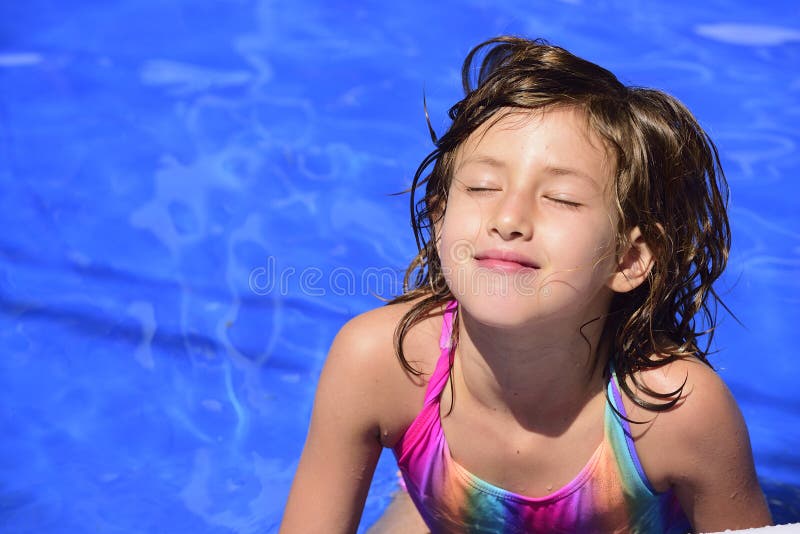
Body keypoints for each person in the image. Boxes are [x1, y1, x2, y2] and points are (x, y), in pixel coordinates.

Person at [280, 36, 772, 533]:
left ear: (628, 259)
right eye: (482, 186)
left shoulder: (676, 413)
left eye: (561, 198)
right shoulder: (381, 364)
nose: (508, 218)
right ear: (439, 217)